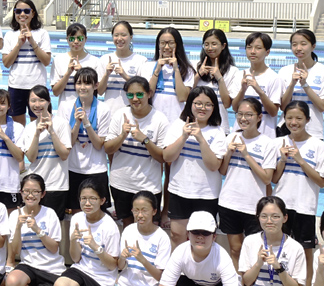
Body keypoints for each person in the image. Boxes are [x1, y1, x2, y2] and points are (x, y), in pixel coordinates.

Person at [162, 87, 227, 248]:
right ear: (190, 104)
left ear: (214, 107)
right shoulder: (178, 126)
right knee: (177, 235)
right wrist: (184, 136)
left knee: (203, 238)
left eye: (208, 104)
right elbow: (167, 157)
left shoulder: (217, 131)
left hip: (206, 194)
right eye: (198, 103)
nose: (202, 108)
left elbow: (214, 166)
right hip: (179, 190)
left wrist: (201, 139)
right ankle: (179, 265)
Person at [273, 101, 324, 286]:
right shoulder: (278, 143)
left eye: (298, 118)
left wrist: (300, 160)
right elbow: (274, 179)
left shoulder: (317, 145)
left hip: (305, 206)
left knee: (306, 253)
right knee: (280, 250)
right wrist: (282, 160)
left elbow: (322, 181)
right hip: (281, 206)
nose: (293, 122)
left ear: (307, 120)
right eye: (289, 118)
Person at [219, 98, 279, 268]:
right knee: (235, 249)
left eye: (248, 115)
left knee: (254, 251)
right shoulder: (231, 137)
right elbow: (222, 171)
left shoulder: (268, 144)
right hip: (229, 202)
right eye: (240, 114)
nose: (243, 118)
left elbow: (267, 178)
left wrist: (246, 154)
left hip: (254, 205)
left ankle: (252, 279)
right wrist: (228, 153)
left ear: (259, 117)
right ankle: (239, 279)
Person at [105, 76, 169, 227]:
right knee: (128, 227)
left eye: (139, 94)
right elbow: (108, 148)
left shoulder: (160, 119)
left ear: (149, 94)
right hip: (121, 184)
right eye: (130, 95)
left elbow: (163, 157)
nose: (135, 99)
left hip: (148, 186)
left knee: (149, 228)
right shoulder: (120, 115)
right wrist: (122, 135)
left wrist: (145, 140)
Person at [58, 68, 112, 213]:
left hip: (96, 168)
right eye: (79, 83)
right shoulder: (65, 106)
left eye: (87, 83)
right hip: (73, 167)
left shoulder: (103, 109)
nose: (82, 87)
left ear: (96, 86)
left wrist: (87, 123)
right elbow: (67, 143)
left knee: (97, 212)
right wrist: (77, 123)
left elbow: (99, 144)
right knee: (76, 211)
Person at [18, 85, 71, 221]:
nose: (37, 105)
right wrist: (36, 134)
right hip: (35, 187)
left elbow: (64, 155)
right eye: (33, 101)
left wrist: (51, 132)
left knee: (54, 225)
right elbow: (31, 158)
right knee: (32, 223)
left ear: (48, 101)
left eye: (41, 100)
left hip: (57, 185)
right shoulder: (29, 128)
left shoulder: (61, 124)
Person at [54, 178, 121, 286]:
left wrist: (96, 247)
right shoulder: (77, 218)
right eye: (83, 198)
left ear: (102, 200)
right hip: (80, 269)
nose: (87, 203)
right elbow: (75, 259)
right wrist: (73, 241)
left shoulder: (110, 226)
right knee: (60, 283)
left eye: (93, 199)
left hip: (102, 277)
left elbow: (113, 265)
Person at [6, 174, 66, 286]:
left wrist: (38, 230)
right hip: (28, 266)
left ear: (42, 194)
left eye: (35, 192)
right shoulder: (15, 215)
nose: (30, 195)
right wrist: (18, 228)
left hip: (51, 268)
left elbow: (54, 248)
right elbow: (16, 251)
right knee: (12, 281)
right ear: (21, 192)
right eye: (26, 191)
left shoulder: (50, 213)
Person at [279, 30, 324, 140]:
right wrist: (292, 84)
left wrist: (305, 85)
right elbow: (283, 107)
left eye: (303, 44)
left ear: (313, 46)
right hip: (286, 129)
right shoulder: (284, 71)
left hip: (313, 131)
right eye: (294, 44)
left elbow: (322, 107)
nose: (298, 48)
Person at [1, 0, 52, 125]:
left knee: (38, 125)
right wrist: (18, 45)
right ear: (14, 13)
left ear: (33, 13)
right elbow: (6, 63)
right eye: (18, 11)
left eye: (26, 11)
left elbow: (46, 61)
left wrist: (32, 42)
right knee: (18, 127)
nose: (22, 14)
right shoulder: (10, 35)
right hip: (16, 85)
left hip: (37, 85)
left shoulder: (42, 33)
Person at [239, 196, 307, 286]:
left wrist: (279, 268)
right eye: (264, 216)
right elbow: (246, 282)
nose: (269, 221)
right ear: (258, 218)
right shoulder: (249, 241)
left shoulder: (296, 248)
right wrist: (258, 264)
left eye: (275, 216)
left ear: (285, 218)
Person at [159, 211, 238, 286]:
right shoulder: (180, 252)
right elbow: (165, 283)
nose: (200, 237)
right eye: (195, 232)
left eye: (205, 233)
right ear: (188, 234)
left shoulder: (222, 257)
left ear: (214, 237)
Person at [139, 27, 195, 124]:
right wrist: (157, 71)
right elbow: (148, 95)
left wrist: (176, 70)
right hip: (153, 121)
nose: (166, 47)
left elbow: (183, 97)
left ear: (178, 44)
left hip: (176, 121)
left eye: (171, 43)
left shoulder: (187, 69)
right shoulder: (148, 66)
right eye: (163, 43)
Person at [232, 33, 282, 137]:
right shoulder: (239, 75)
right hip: (240, 135)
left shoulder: (274, 78)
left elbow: (273, 112)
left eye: (258, 48)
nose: (253, 51)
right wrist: (242, 90)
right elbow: (235, 108)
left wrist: (259, 91)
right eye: (249, 47)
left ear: (267, 52)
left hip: (265, 135)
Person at [117, 191, 172, 286]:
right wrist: (122, 257)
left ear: (154, 211)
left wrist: (142, 260)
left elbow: (160, 277)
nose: (140, 215)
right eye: (136, 210)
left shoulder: (162, 237)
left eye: (144, 210)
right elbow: (120, 267)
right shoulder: (128, 230)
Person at [193, 29, 241, 134]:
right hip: (197, 126)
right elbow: (187, 97)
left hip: (220, 126)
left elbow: (227, 104)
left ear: (223, 46)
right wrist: (197, 76)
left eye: (214, 44)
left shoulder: (232, 71)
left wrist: (220, 78)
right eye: (206, 44)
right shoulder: (196, 66)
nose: (210, 48)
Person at [98, 21, 150, 112]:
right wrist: (106, 75)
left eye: (123, 35)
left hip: (133, 112)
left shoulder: (141, 61)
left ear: (131, 37)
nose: (119, 38)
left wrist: (125, 76)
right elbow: (99, 92)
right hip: (109, 112)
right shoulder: (104, 59)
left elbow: (144, 91)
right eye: (116, 35)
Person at [52, 24, 102, 108]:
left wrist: (82, 73)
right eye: (72, 39)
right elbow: (56, 92)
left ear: (85, 39)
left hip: (87, 109)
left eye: (80, 38)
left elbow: (98, 90)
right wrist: (68, 73)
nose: (76, 41)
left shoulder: (95, 61)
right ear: (67, 39)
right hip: (65, 109)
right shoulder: (58, 60)